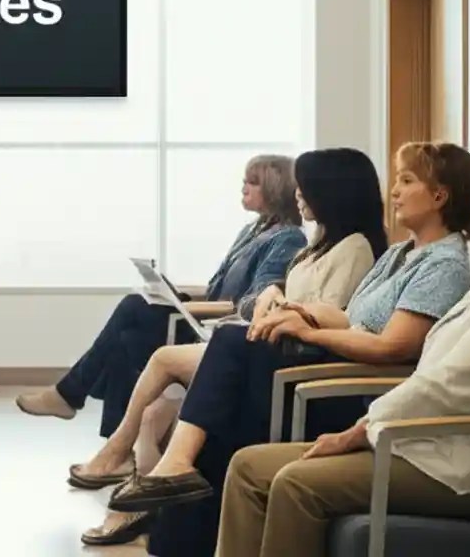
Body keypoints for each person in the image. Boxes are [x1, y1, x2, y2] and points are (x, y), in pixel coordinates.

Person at [106, 141, 470, 557]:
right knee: (226, 393)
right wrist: (298, 314)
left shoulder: (444, 265)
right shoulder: (400, 253)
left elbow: (393, 344)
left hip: (347, 389)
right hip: (332, 367)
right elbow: (349, 315)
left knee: (234, 347)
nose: (394, 191)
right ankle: (174, 509)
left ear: (439, 196)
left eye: (407, 181)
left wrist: (308, 333)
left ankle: (169, 473)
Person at [217, 131, 470, 557]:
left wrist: (358, 431)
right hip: (431, 444)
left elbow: (449, 383)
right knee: (247, 466)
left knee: (295, 484)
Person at [75, 148, 387, 545]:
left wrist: (283, 304)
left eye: (305, 187)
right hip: (268, 341)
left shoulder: (354, 247)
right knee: (156, 374)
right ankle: (143, 475)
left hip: (291, 359)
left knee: (175, 363)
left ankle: (135, 472)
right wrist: (275, 295)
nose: (298, 194)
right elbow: (283, 296)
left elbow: (329, 313)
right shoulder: (318, 244)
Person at [16, 154, 308, 439]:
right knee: (124, 341)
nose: (243, 187)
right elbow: (219, 289)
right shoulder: (252, 231)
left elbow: (256, 300)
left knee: (133, 306)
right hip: (202, 316)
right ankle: (111, 439)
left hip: (215, 329)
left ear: (274, 188)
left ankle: (69, 395)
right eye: (244, 180)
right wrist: (176, 294)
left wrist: (191, 306)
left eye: (253, 182)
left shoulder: (287, 238)